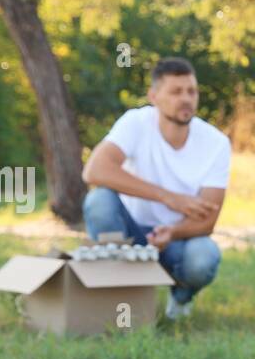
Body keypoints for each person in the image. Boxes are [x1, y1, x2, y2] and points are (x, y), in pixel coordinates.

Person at [81, 57, 229, 321]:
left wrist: (172, 232)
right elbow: (94, 170)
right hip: (130, 233)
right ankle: (118, 298)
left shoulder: (216, 142)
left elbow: (208, 221)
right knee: (99, 200)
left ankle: (181, 299)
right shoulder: (135, 122)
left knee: (204, 256)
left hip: (177, 239)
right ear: (153, 96)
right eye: (175, 91)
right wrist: (169, 198)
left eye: (191, 91)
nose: (185, 98)